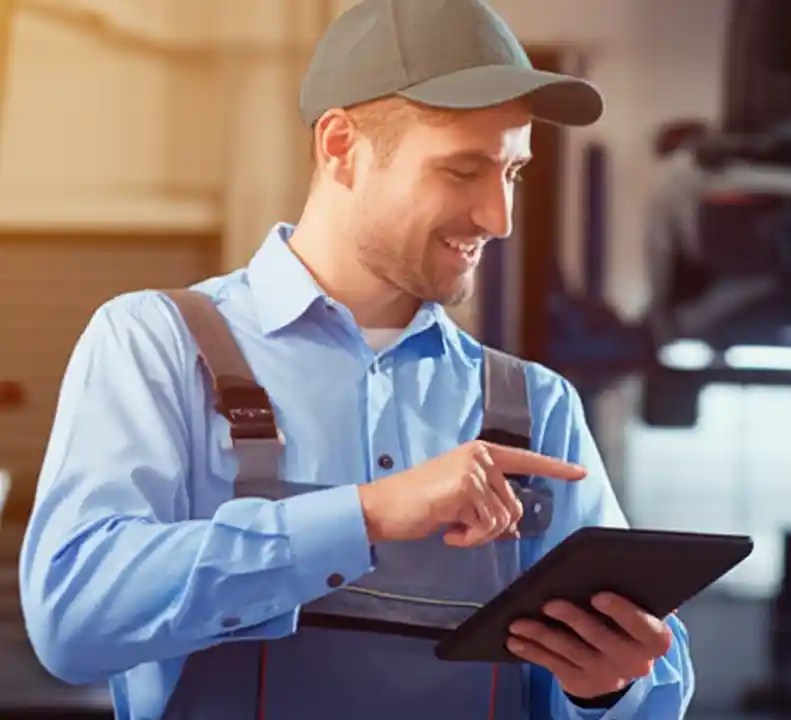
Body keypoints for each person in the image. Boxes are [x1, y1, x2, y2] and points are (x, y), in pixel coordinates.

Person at [18, 1, 693, 718]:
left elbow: (649, 696)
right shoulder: (158, 344)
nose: (498, 220)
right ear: (340, 146)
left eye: (513, 173)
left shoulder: (536, 407)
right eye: (463, 169)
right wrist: (366, 515)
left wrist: (608, 689)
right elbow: (72, 619)